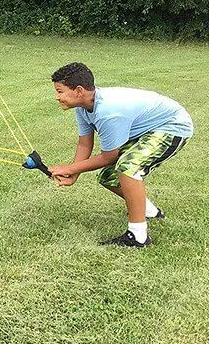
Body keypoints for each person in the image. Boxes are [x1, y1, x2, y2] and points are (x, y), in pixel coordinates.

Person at [49, 62, 193, 248]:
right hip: (149, 131)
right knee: (108, 177)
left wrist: (68, 168)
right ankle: (149, 210)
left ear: (78, 91)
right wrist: (73, 174)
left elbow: (109, 156)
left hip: (173, 127)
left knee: (127, 168)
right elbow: (85, 143)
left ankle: (138, 237)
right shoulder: (83, 107)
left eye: (60, 91)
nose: (56, 97)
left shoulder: (108, 111)